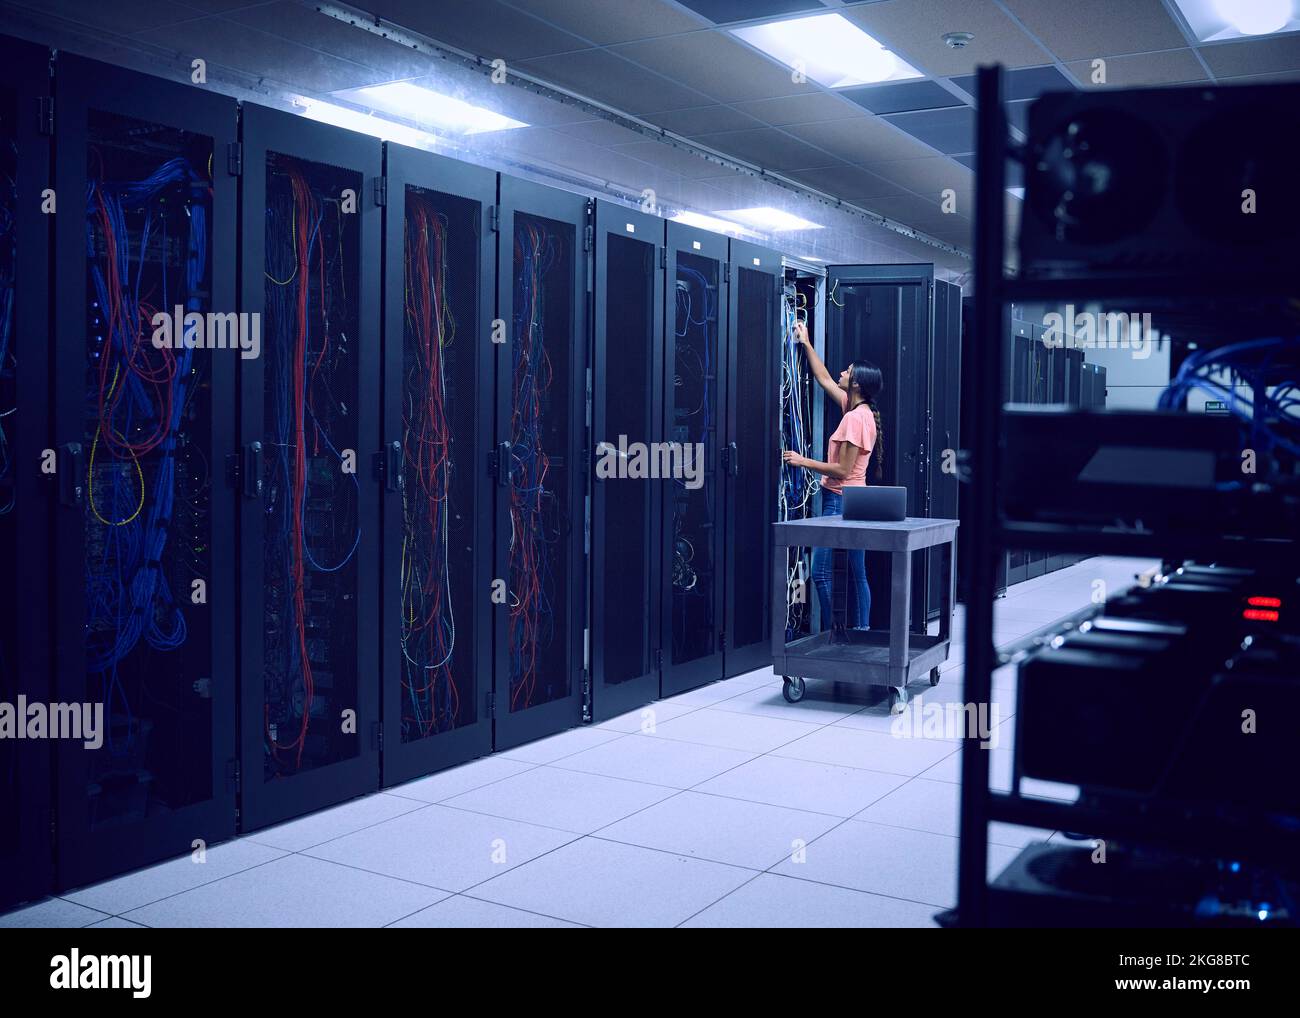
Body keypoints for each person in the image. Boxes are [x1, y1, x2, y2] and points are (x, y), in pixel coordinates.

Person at [781, 320, 884, 631]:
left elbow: (841, 471)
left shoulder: (856, 419)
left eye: (847, 371)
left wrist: (802, 461)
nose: (841, 372)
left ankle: (835, 634)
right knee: (858, 572)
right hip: (854, 501)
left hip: (840, 502)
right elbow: (823, 378)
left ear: (856, 384)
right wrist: (806, 343)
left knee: (822, 571)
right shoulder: (856, 410)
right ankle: (859, 632)